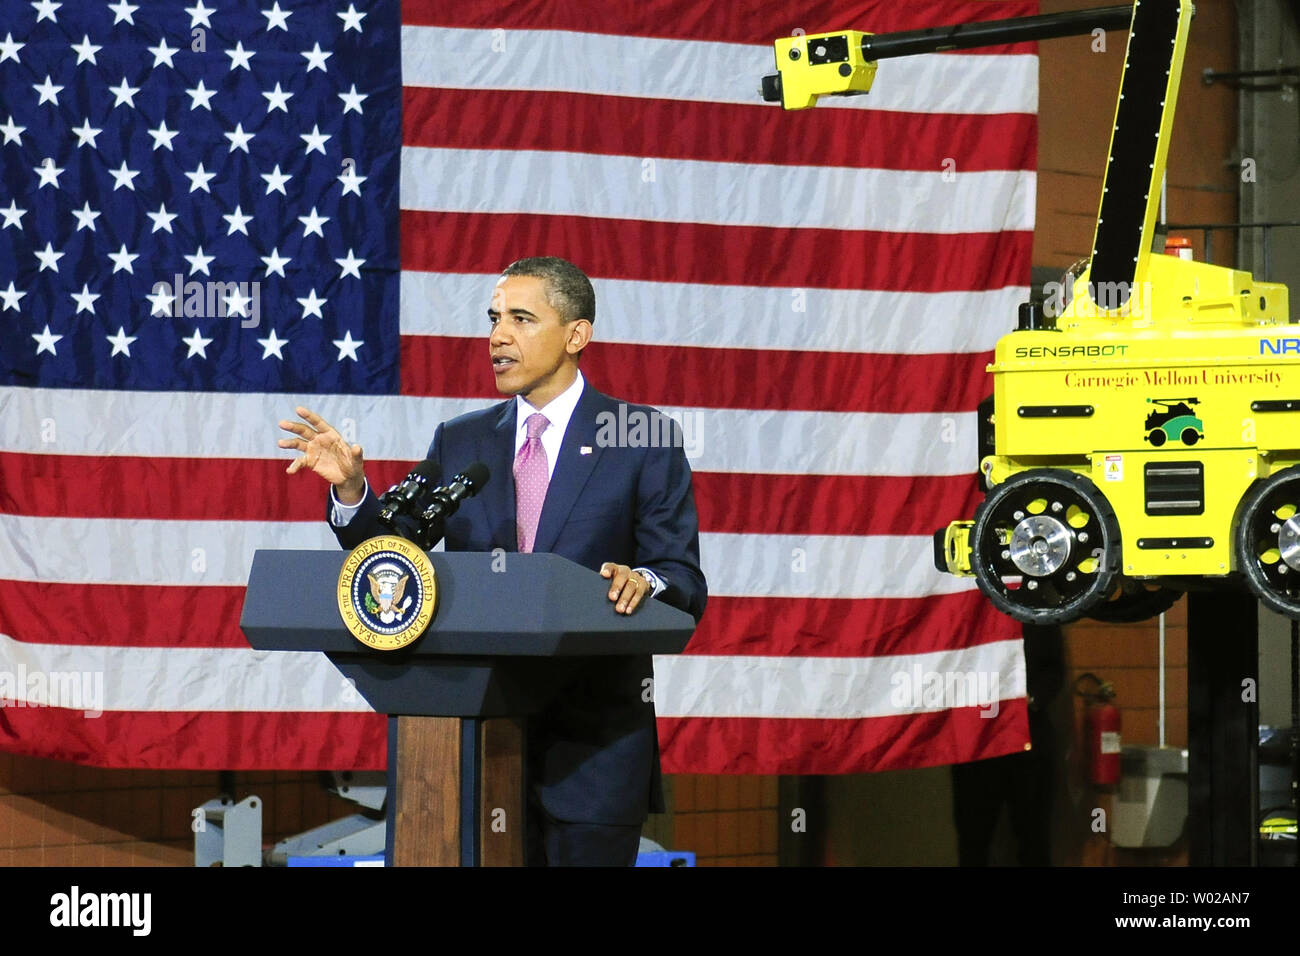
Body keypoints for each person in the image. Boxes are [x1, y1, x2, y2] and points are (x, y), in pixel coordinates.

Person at [277, 256, 707, 866]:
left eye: (521, 318)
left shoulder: (639, 435)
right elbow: (393, 557)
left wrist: (643, 581)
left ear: (576, 335)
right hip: (469, 752)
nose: (498, 335)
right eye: (493, 318)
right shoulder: (464, 439)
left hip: (590, 756)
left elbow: (683, 578)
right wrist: (352, 492)